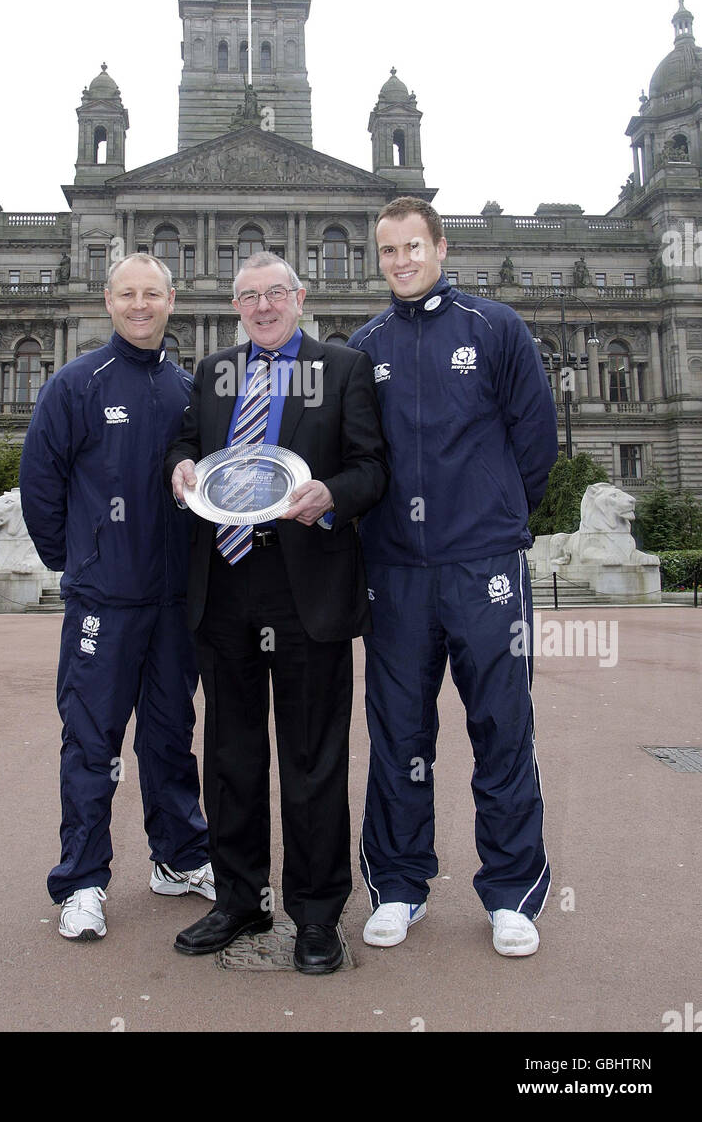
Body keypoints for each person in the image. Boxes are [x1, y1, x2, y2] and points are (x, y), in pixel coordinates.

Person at [348, 196, 559, 957]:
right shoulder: (363, 344)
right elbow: (360, 463)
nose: (401, 260)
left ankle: (511, 893)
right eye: (389, 250)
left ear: (440, 246)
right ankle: (400, 885)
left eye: (413, 245)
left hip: (483, 566)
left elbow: (536, 441)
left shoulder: (494, 328)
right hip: (397, 572)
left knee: (502, 726)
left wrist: (493, 515)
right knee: (399, 732)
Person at [166, 252, 387, 973]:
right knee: (229, 754)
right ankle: (239, 900)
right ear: (235, 305)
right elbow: (190, 444)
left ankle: (317, 915)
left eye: (275, 294)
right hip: (225, 583)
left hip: (305, 586)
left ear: (299, 298)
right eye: (248, 296)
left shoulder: (343, 367)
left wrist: (333, 497)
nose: (262, 307)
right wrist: (180, 469)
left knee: (313, 756)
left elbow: (371, 467)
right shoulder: (209, 373)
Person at [20, 253, 213, 942]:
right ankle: (82, 880)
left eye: (152, 294)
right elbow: (39, 486)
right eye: (127, 294)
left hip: (170, 605)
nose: (140, 305)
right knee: (92, 742)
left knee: (170, 737)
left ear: (171, 301)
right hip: (104, 599)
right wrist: (79, 561)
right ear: (108, 301)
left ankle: (180, 858)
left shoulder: (190, 390)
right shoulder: (75, 384)